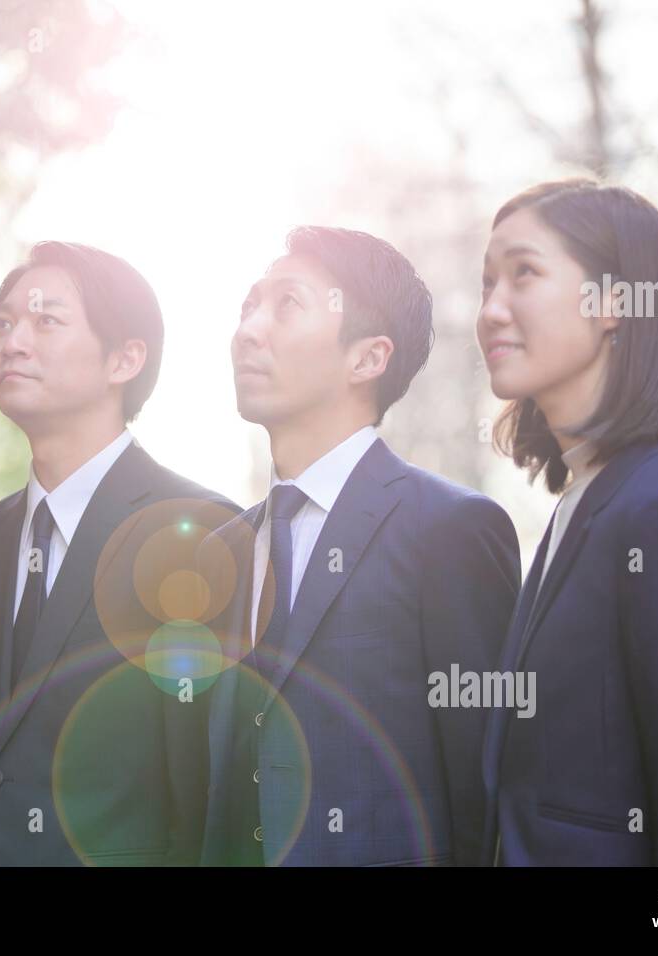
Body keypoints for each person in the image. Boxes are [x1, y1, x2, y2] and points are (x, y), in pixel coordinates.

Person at [199, 226, 520, 866]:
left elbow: (488, 798)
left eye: (287, 305)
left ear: (368, 358)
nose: (249, 330)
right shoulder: (219, 553)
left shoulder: (449, 531)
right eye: (249, 305)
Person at [0, 241, 238, 866]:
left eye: (46, 320)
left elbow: (207, 785)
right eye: (2, 323)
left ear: (124, 358)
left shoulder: (197, 531)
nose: (12, 342)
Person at [475, 179, 658, 865]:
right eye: (487, 283)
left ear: (613, 303)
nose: (490, 310)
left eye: (523, 273)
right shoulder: (580, 505)